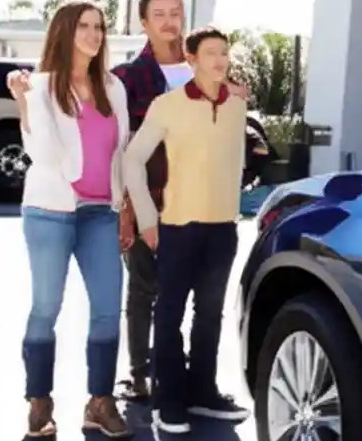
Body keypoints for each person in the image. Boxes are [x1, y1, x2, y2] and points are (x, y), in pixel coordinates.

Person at [7, 0, 250, 402]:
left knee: (189, 301)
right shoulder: (125, 78)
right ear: (144, 23)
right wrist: (130, 208)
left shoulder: (196, 72)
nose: (170, 21)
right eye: (159, 14)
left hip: (184, 204)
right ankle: (131, 378)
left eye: (175, 12)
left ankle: (177, 388)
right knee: (138, 290)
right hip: (116, 203)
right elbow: (104, 151)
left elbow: (139, 144)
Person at [124, 25, 250, 434]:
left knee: (210, 314)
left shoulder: (236, 104)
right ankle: (168, 400)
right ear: (191, 60)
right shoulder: (167, 105)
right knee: (170, 313)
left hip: (223, 229)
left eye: (224, 53)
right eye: (210, 53)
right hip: (178, 226)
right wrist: (147, 218)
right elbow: (132, 160)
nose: (219, 61)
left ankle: (203, 393)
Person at [14, 0, 131, 437]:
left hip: (101, 211)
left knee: (106, 309)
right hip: (50, 211)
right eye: (84, 25)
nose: (94, 34)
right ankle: (39, 401)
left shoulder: (113, 87)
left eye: (99, 26)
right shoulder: (41, 86)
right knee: (47, 307)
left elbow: (121, 150)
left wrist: (125, 206)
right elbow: (41, 153)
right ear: (65, 31)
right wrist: (25, 103)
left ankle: (100, 402)